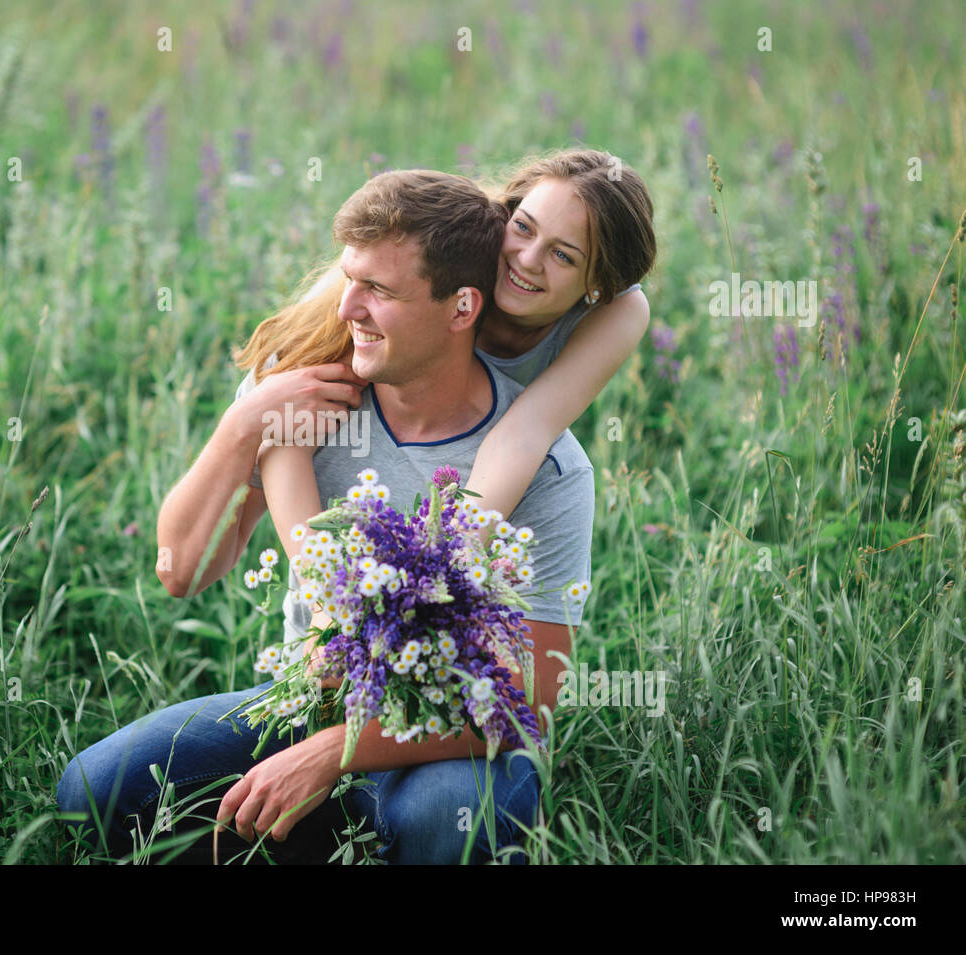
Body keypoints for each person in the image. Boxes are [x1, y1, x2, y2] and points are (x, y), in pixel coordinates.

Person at [58, 161, 647, 863]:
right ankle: (315, 835)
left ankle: (354, 821)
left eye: (377, 291)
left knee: (450, 815)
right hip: (316, 699)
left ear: (462, 307)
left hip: (447, 729)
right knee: (94, 791)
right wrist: (241, 425)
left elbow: (532, 701)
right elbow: (181, 570)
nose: (349, 306)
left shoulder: (549, 463)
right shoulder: (310, 378)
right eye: (349, 281)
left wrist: (338, 751)